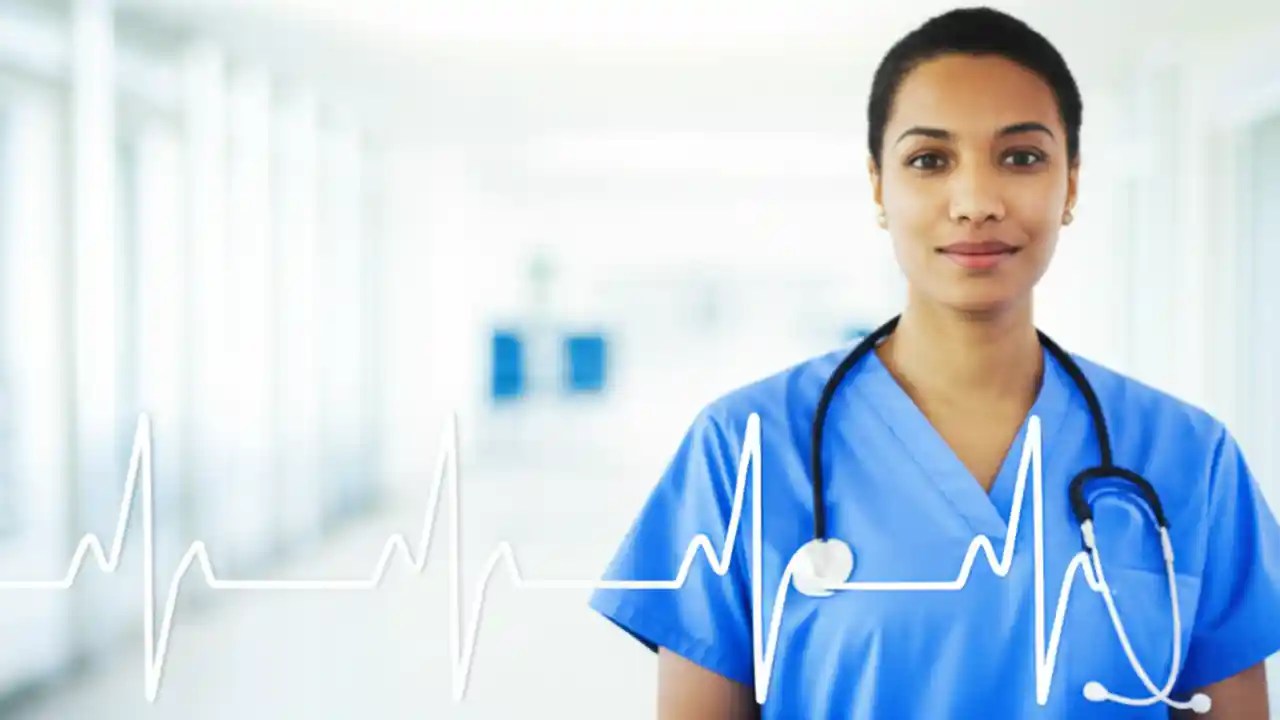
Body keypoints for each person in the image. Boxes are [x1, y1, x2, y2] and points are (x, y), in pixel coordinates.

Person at [586, 5, 1280, 719]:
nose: (976, 202)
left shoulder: (1189, 459)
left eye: (1021, 157)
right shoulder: (744, 449)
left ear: (1070, 184)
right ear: (879, 186)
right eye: (928, 160)